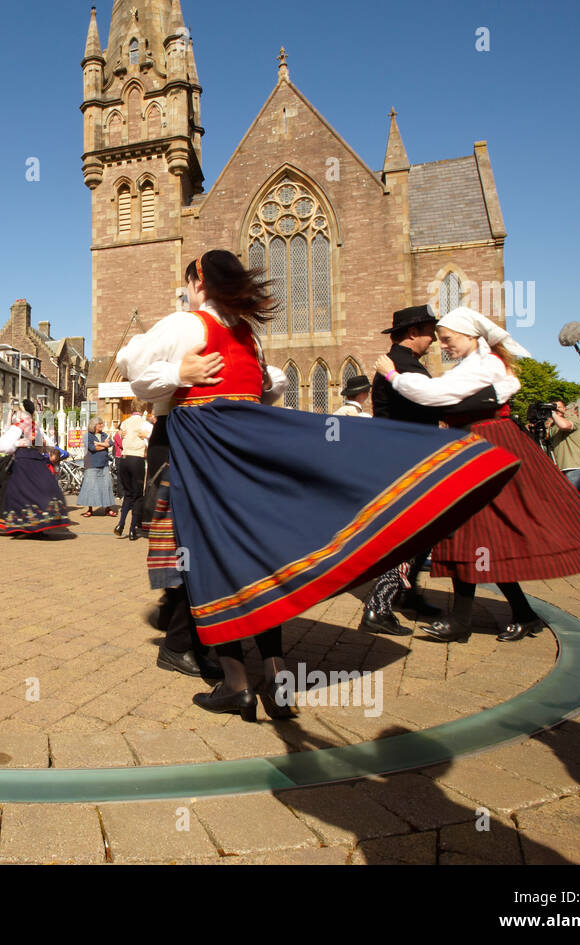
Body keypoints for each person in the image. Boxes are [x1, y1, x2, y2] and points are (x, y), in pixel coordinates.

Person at [118, 251, 519, 721]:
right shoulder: (250, 337)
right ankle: (276, 681)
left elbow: (137, 377)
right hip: (249, 452)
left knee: (212, 558)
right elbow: (267, 389)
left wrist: (176, 375)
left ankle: (236, 684)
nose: (186, 292)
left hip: (204, 452)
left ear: (199, 281)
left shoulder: (187, 325)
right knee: (258, 557)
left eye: (188, 283)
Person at [376, 306, 580, 641]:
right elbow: (450, 399)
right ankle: (518, 613)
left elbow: (433, 395)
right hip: (478, 444)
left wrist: (392, 375)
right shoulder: (476, 364)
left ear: (470, 336)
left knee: (471, 531)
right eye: (439, 337)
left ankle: (464, 620)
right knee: (484, 535)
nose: (441, 344)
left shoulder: (485, 362)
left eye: (447, 338)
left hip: (487, 445)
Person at [360, 304, 514, 636]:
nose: (433, 341)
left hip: (405, 454)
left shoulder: (404, 363)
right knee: (412, 532)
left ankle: (407, 595)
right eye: (430, 333)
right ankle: (378, 605)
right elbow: (431, 399)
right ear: (413, 334)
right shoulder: (402, 366)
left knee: (422, 529)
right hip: (407, 457)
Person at [0, 397, 70, 535]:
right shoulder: (35, 426)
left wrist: (17, 444)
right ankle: (36, 524)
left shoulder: (20, 426)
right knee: (37, 493)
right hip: (36, 463)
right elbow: (48, 445)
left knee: (18, 493)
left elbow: (2, 446)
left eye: (19, 411)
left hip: (22, 462)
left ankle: (25, 525)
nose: (17, 414)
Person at [114, 407, 151, 540]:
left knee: (128, 494)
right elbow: (150, 439)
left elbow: (119, 435)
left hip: (124, 459)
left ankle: (121, 523)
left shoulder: (125, 422)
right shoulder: (145, 424)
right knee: (138, 495)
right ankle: (132, 529)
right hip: (137, 459)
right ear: (143, 410)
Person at [543, 400, 580, 494]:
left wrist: (553, 414)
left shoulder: (572, 418)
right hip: (559, 467)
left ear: (564, 409)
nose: (556, 409)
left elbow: (564, 425)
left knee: (575, 499)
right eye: (554, 407)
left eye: (558, 407)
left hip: (574, 467)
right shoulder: (552, 425)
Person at [77, 417, 116, 517]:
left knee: (106, 486)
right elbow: (92, 448)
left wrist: (100, 444)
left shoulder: (104, 434)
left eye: (102, 424)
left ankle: (107, 508)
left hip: (104, 464)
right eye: (99, 424)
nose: (101, 426)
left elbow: (111, 443)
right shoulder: (87, 436)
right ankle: (90, 509)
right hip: (91, 464)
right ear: (94, 425)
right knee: (91, 487)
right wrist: (104, 445)